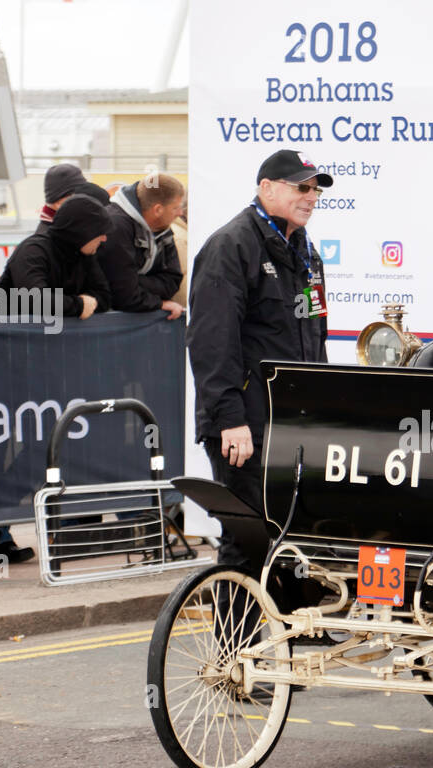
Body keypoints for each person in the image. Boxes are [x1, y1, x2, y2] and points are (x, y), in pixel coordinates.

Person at [187, 148, 331, 567]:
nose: (311, 196)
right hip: (247, 425)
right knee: (249, 540)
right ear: (266, 188)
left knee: (295, 540)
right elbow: (212, 342)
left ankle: (296, 631)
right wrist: (231, 419)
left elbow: (314, 334)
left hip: (295, 424)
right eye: (301, 187)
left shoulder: (304, 249)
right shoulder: (231, 245)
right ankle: (240, 634)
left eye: (316, 189)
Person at [0, 195, 113, 320]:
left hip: (52, 335)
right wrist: (79, 305)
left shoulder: (84, 253)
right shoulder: (33, 251)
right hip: (9, 333)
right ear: (82, 231)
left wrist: (82, 304)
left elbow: (104, 297)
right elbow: (34, 299)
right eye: (100, 232)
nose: (104, 238)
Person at [98, 174, 185, 319]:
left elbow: (173, 280)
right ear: (158, 210)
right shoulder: (115, 226)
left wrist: (135, 282)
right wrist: (158, 304)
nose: (180, 213)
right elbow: (122, 293)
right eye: (176, 208)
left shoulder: (163, 228)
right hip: (104, 325)